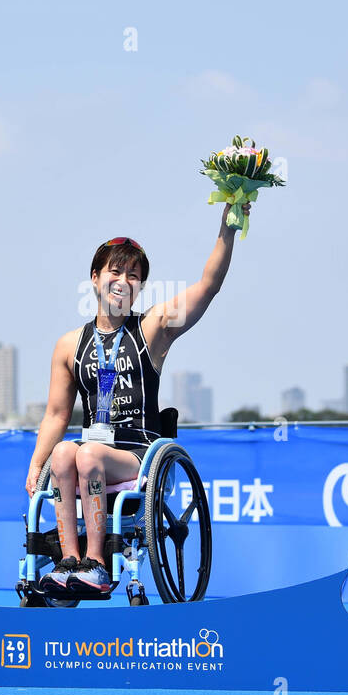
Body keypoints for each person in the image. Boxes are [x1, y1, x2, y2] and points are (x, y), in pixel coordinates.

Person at [26, 204, 251, 595]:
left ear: (140, 287)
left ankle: (97, 565)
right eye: (115, 271)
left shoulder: (153, 329)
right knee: (62, 454)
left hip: (138, 453)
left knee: (86, 455)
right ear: (95, 278)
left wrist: (228, 225)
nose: (123, 280)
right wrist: (35, 465)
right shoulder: (68, 345)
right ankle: (69, 561)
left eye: (133, 276)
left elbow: (208, 285)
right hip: (88, 451)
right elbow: (56, 414)